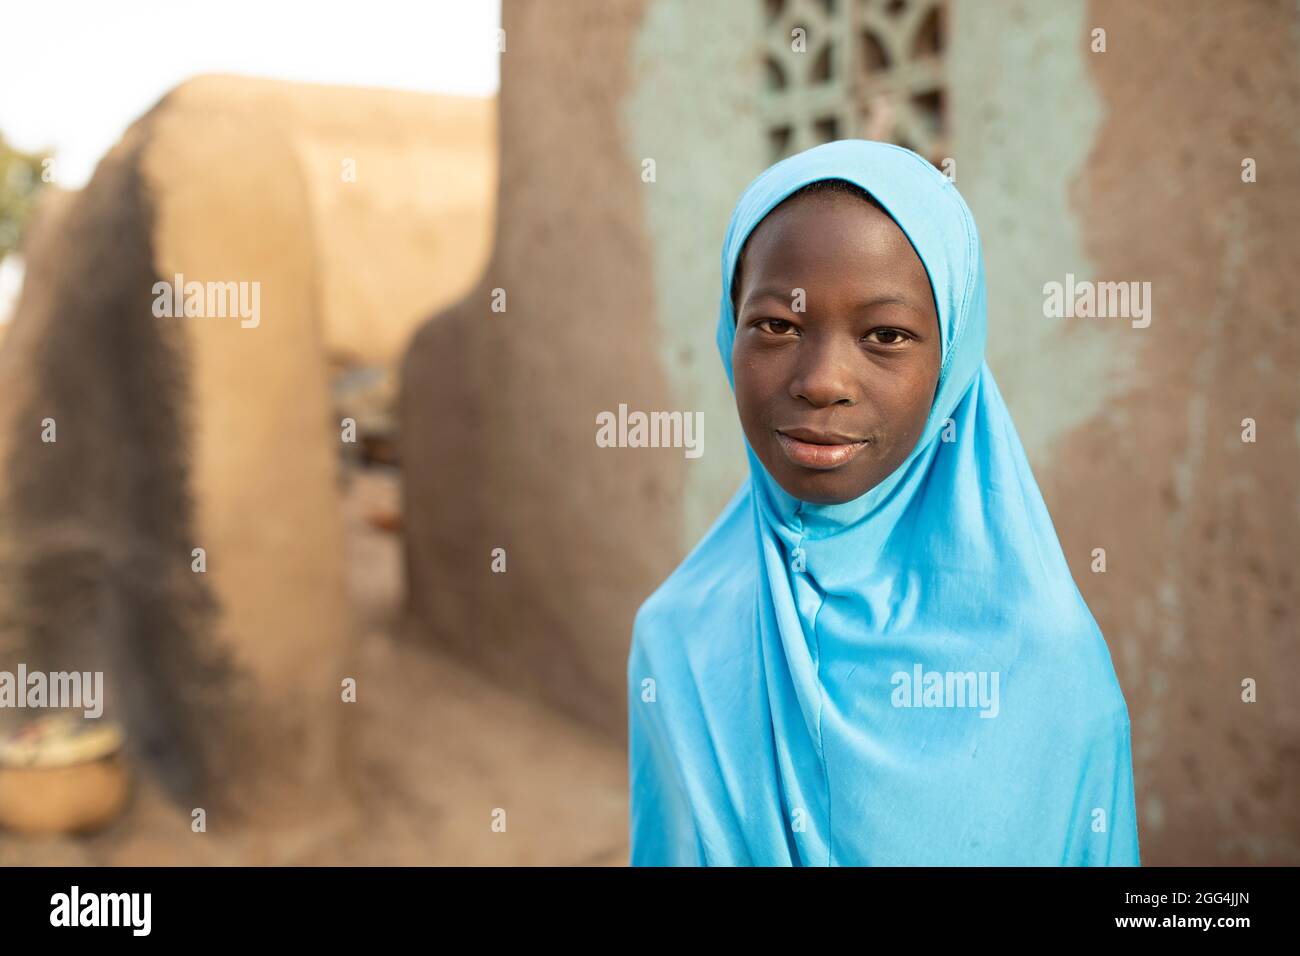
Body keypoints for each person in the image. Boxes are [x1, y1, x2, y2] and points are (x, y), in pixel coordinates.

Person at [626, 139, 1140, 866]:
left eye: (886, 335)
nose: (823, 380)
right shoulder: (678, 641)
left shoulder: (1047, 665)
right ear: (728, 331)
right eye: (776, 324)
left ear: (950, 362)